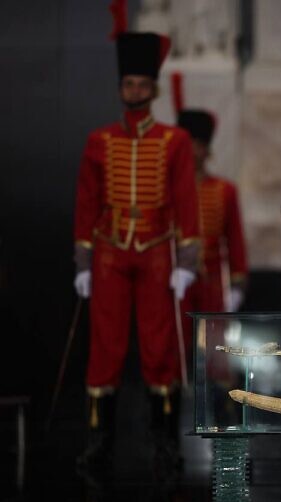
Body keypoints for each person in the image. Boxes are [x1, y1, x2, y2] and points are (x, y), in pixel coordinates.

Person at [72, 21, 200, 474]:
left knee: (159, 349)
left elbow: (187, 201)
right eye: (129, 83)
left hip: (156, 250)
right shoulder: (99, 141)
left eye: (143, 84)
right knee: (104, 349)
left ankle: (163, 443)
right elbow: (87, 202)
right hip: (109, 251)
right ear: (122, 87)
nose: (135, 91)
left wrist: (186, 261)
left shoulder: (175, 141)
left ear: (153, 88)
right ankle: (98, 443)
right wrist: (83, 260)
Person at [177, 109, 248, 319]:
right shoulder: (168, 190)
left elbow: (235, 242)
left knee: (213, 345)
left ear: (207, 149)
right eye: (189, 144)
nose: (194, 151)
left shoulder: (224, 190)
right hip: (175, 279)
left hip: (212, 281)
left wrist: (237, 286)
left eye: (198, 145)